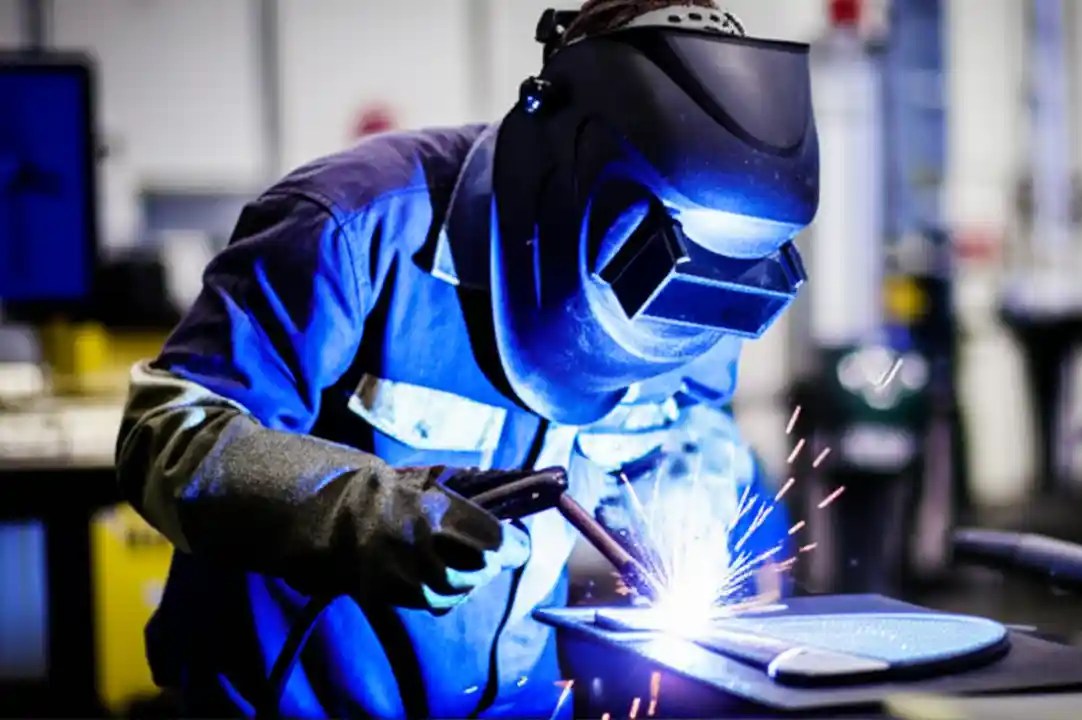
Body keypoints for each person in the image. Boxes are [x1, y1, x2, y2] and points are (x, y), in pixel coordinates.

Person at [115, 1, 819, 716]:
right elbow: (166, 435)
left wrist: (686, 503)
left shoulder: (716, 282)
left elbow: (690, 423)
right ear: (569, 166)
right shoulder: (354, 226)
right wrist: (360, 514)